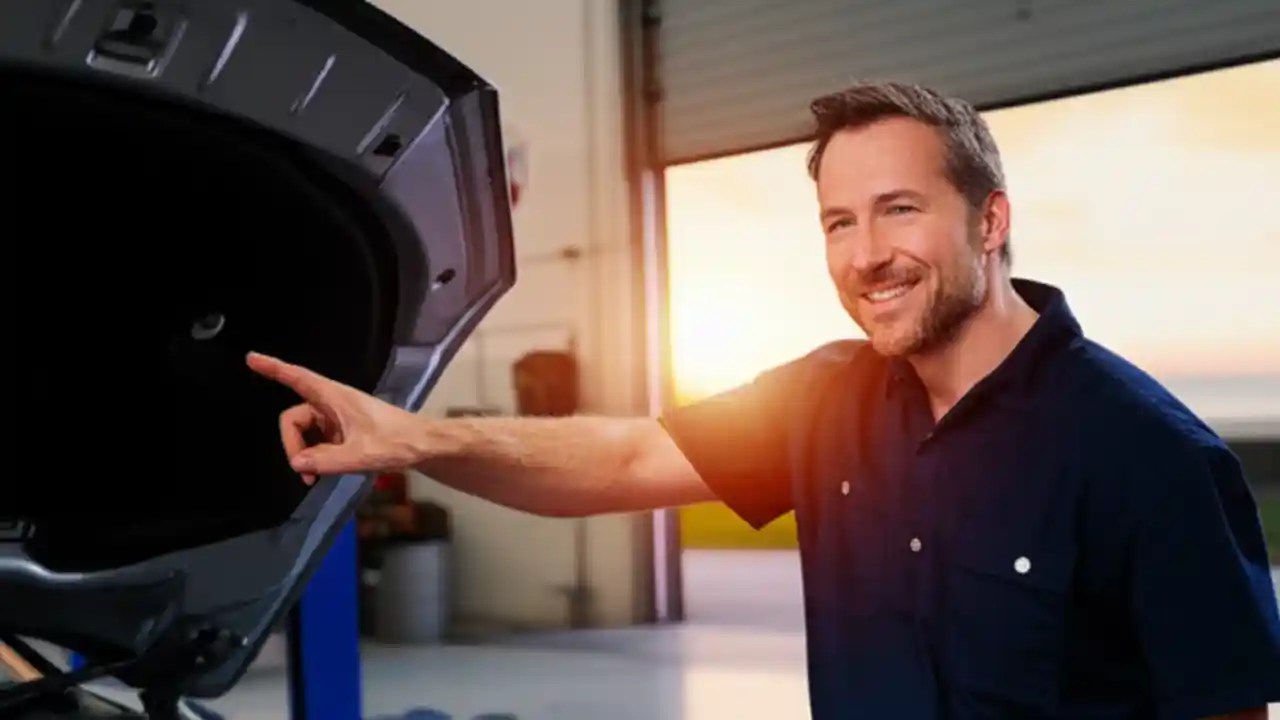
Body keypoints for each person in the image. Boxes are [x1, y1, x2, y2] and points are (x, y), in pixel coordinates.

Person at [247, 80, 1280, 719]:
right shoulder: (822, 400)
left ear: (989, 219)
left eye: (898, 211)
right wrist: (412, 437)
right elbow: (613, 461)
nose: (865, 255)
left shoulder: (1146, 457)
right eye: (836, 222)